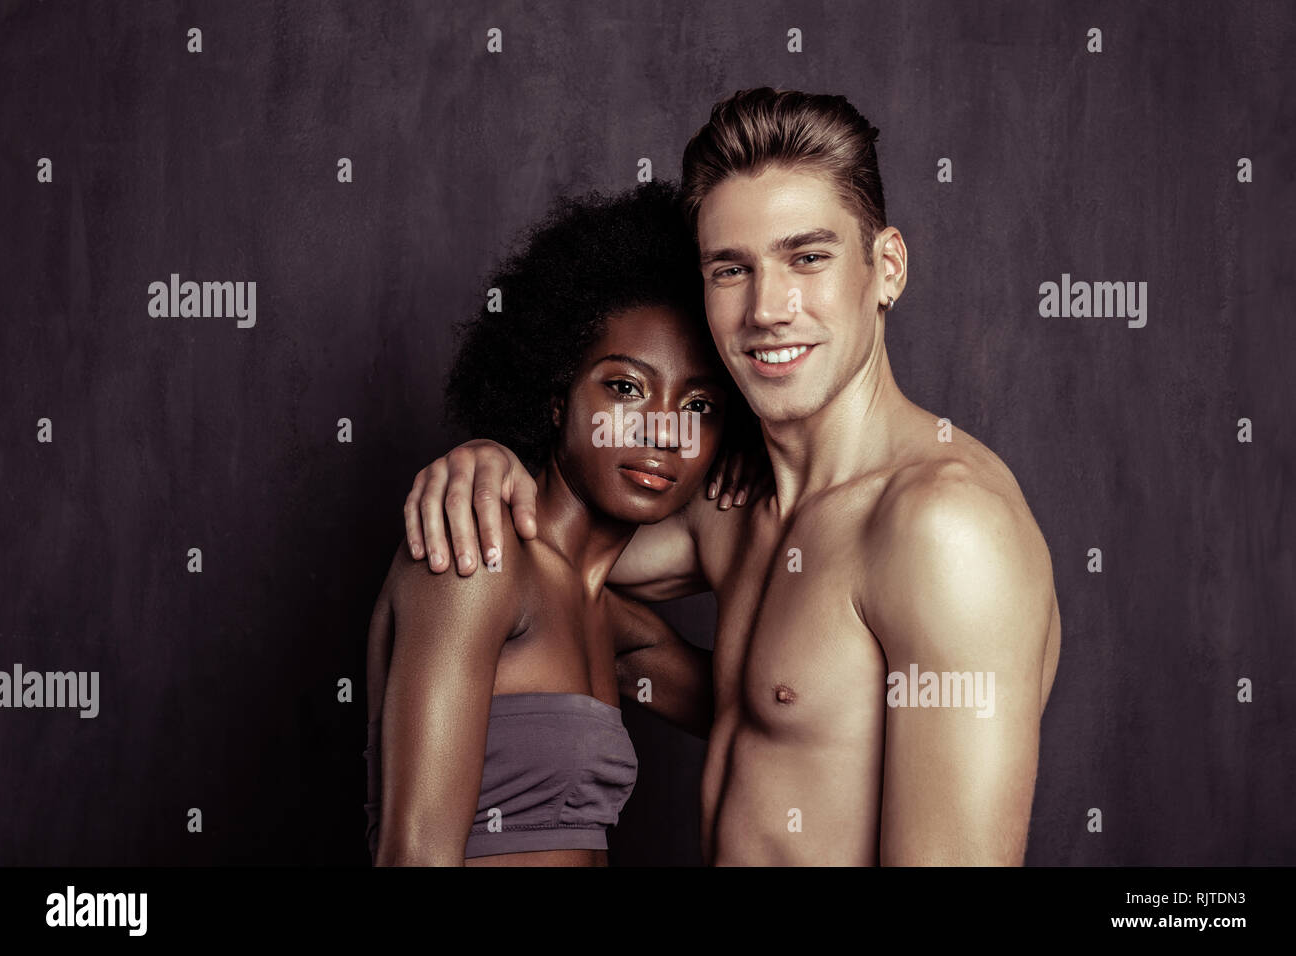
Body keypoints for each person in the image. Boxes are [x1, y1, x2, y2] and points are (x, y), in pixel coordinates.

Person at [400, 88, 1063, 865]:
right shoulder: (732, 510)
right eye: (730, 269)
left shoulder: (944, 529)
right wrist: (490, 461)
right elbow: (547, 568)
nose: (768, 308)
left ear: (885, 268)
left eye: (807, 257)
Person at [365, 180, 748, 866]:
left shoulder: (617, 624)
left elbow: (783, 712)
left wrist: (774, 494)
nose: (664, 430)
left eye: (699, 407)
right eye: (625, 388)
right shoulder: (478, 558)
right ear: (554, 399)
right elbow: (413, 857)